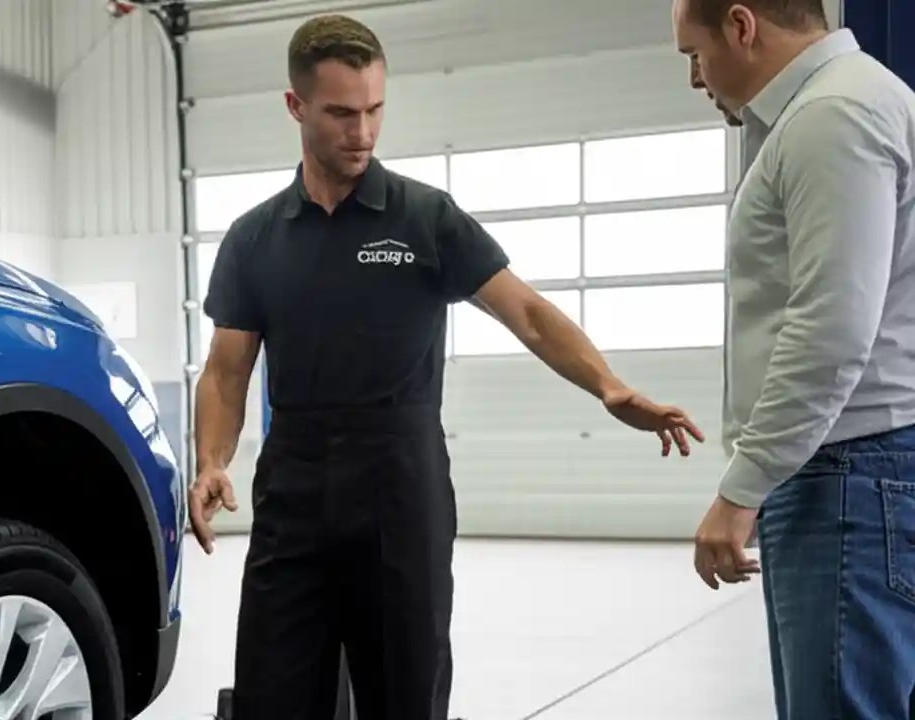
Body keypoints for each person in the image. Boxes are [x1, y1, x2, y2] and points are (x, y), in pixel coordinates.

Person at [190, 13, 705, 720]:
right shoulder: (254, 238)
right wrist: (212, 459)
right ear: (295, 106)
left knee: (406, 694)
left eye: (375, 110)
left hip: (401, 486)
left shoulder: (425, 220)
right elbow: (226, 370)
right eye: (341, 113)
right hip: (293, 489)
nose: (363, 132)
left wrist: (608, 385)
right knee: (272, 697)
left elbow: (525, 312)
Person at [673, 1, 915, 717]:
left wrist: (740, 489)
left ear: (742, 26)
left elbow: (830, 329)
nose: (695, 76)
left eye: (694, 52)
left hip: (847, 472)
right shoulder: (853, 101)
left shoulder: (833, 116)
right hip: (856, 470)